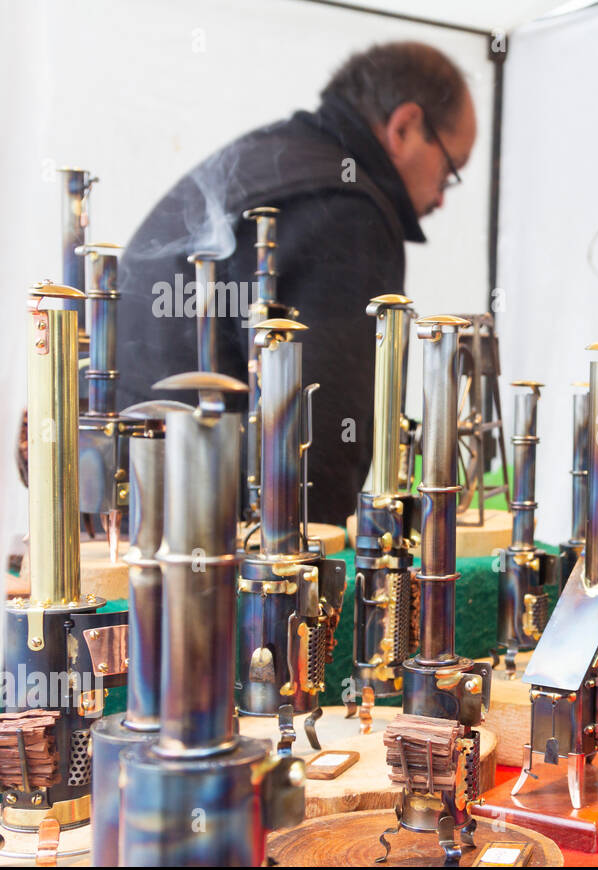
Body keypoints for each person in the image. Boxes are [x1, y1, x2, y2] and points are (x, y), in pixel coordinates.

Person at [116, 41, 477, 525]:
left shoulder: (270, 157)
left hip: (122, 512)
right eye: (450, 172)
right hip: (196, 535)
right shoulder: (349, 210)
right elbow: (320, 442)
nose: (441, 198)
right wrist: (314, 569)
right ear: (405, 127)